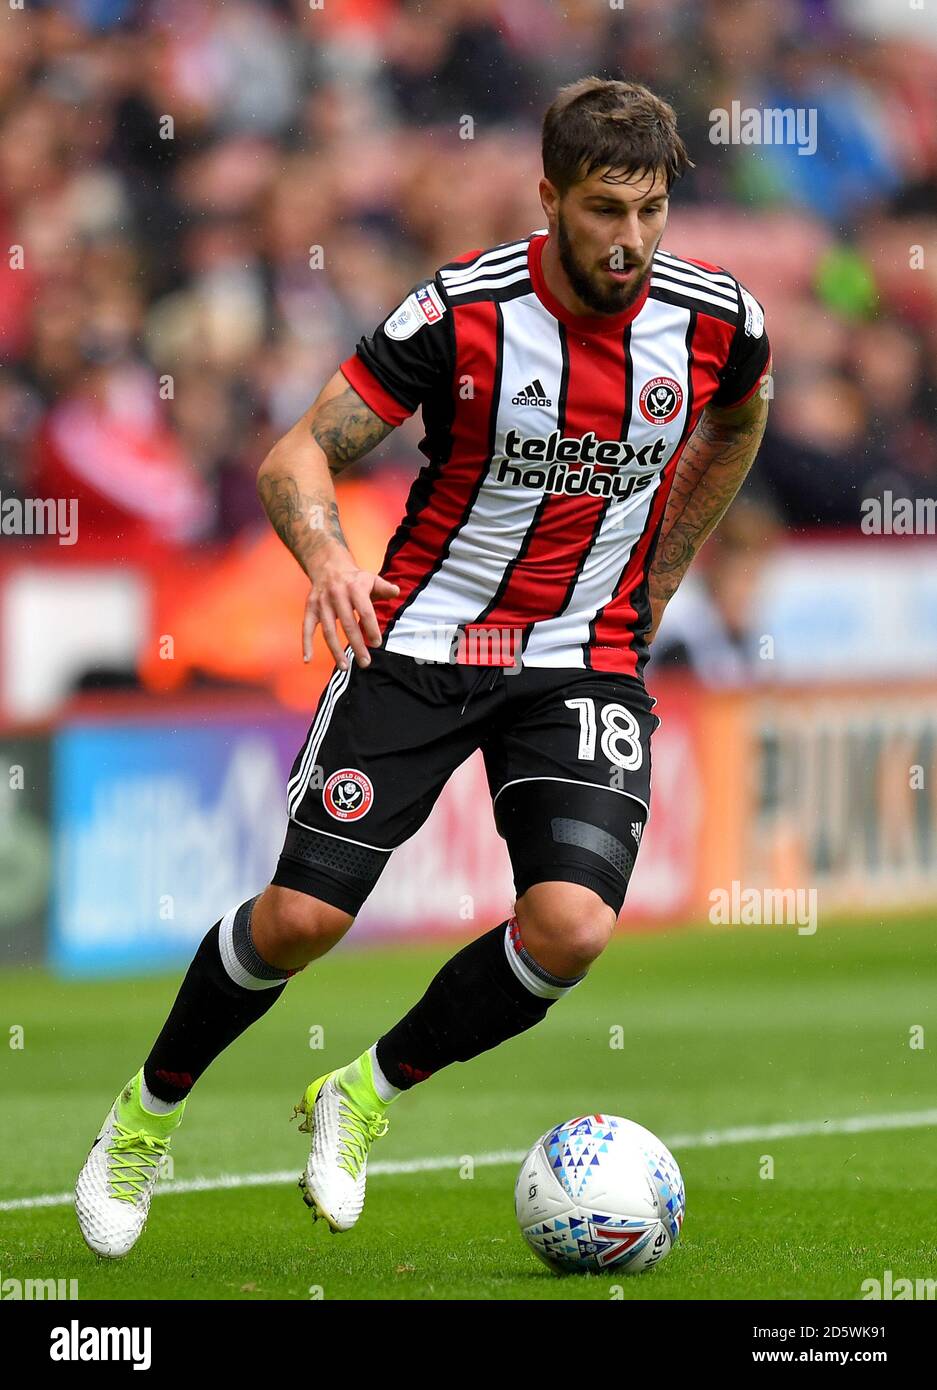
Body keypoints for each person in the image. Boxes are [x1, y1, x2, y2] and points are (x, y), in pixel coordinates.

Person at [75, 77, 771, 1257]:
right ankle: (143, 1118)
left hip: (580, 657)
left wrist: (658, 577)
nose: (632, 240)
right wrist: (333, 562)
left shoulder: (715, 321)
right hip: (422, 641)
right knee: (299, 920)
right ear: (547, 197)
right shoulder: (457, 315)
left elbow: (739, 417)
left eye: (652, 210)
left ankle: (365, 1093)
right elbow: (297, 454)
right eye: (606, 209)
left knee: (571, 929)